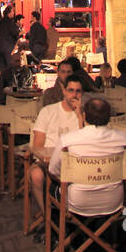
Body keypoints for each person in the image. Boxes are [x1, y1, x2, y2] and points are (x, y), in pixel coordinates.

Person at [48, 96, 126, 216]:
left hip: (77, 203)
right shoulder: (123, 139)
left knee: (51, 185)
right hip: (113, 201)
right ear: (109, 118)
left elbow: (53, 170)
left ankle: (60, 230)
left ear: (83, 116)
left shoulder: (68, 140)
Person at [27, 74, 89, 213]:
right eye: (71, 90)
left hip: (76, 164)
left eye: (78, 91)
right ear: (64, 91)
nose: (74, 95)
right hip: (48, 163)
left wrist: (79, 116)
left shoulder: (85, 115)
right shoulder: (48, 111)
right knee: (36, 175)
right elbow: (37, 146)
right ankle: (47, 216)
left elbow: (86, 142)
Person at [0, 6, 20, 73]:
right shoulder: (9, 22)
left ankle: (0, 80)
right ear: (9, 12)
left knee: (2, 65)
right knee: (8, 66)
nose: (13, 13)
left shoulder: (2, 21)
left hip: (0, 46)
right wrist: (20, 33)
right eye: (12, 11)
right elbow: (14, 33)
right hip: (7, 47)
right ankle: (8, 81)